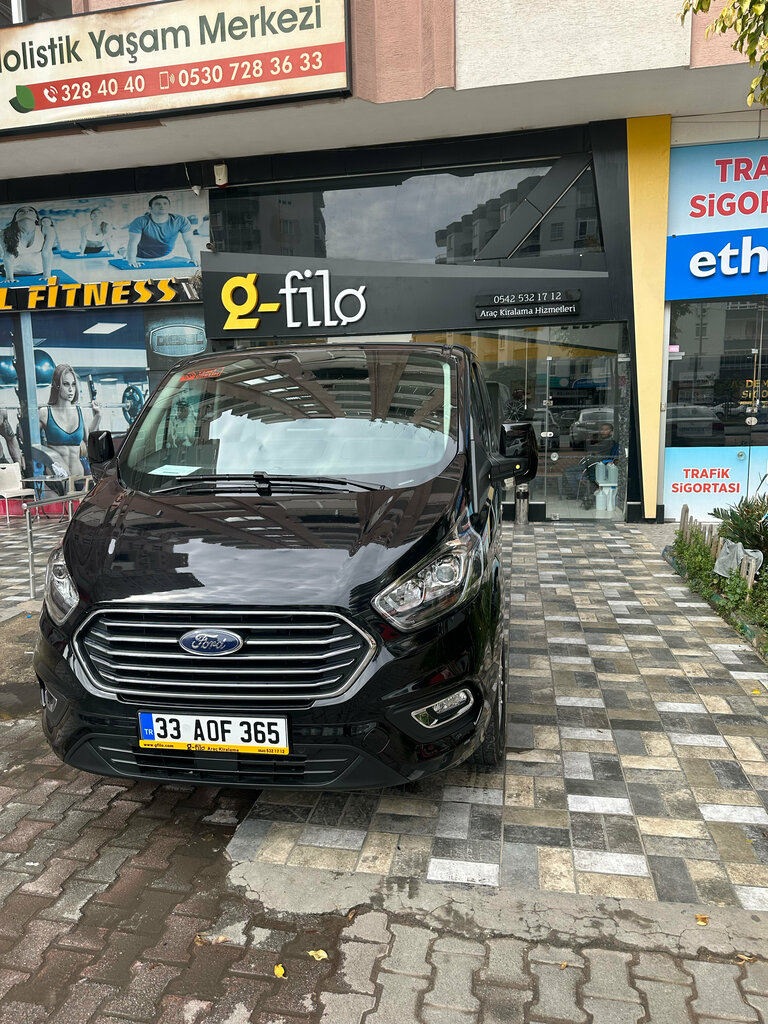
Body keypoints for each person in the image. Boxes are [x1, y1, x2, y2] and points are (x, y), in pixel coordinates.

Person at [38, 364, 101, 484]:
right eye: (66, 384)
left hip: (79, 475)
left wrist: (98, 415)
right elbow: (30, 443)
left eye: (73, 384)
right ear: (57, 385)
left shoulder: (80, 411)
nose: (71, 389)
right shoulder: (44, 413)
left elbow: (88, 438)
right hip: (56, 476)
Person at [126, 195, 199, 267]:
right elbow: (133, 242)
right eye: (158, 204)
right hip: (141, 258)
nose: (162, 206)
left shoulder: (180, 220)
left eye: (165, 203)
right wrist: (132, 260)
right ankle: (122, 251)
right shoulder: (139, 221)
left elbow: (189, 241)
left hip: (167, 256)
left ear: (169, 207)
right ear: (150, 208)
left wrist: (194, 257)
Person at [0, 206, 54, 282]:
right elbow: (8, 256)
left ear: (36, 218)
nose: (26, 212)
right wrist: (9, 278)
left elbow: (47, 253)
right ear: (16, 218)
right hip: (14, 273)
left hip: (38, 272)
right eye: (21, 211)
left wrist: (47, 276)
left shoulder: (46, 230)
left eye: (30, 210)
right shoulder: (4, 233)